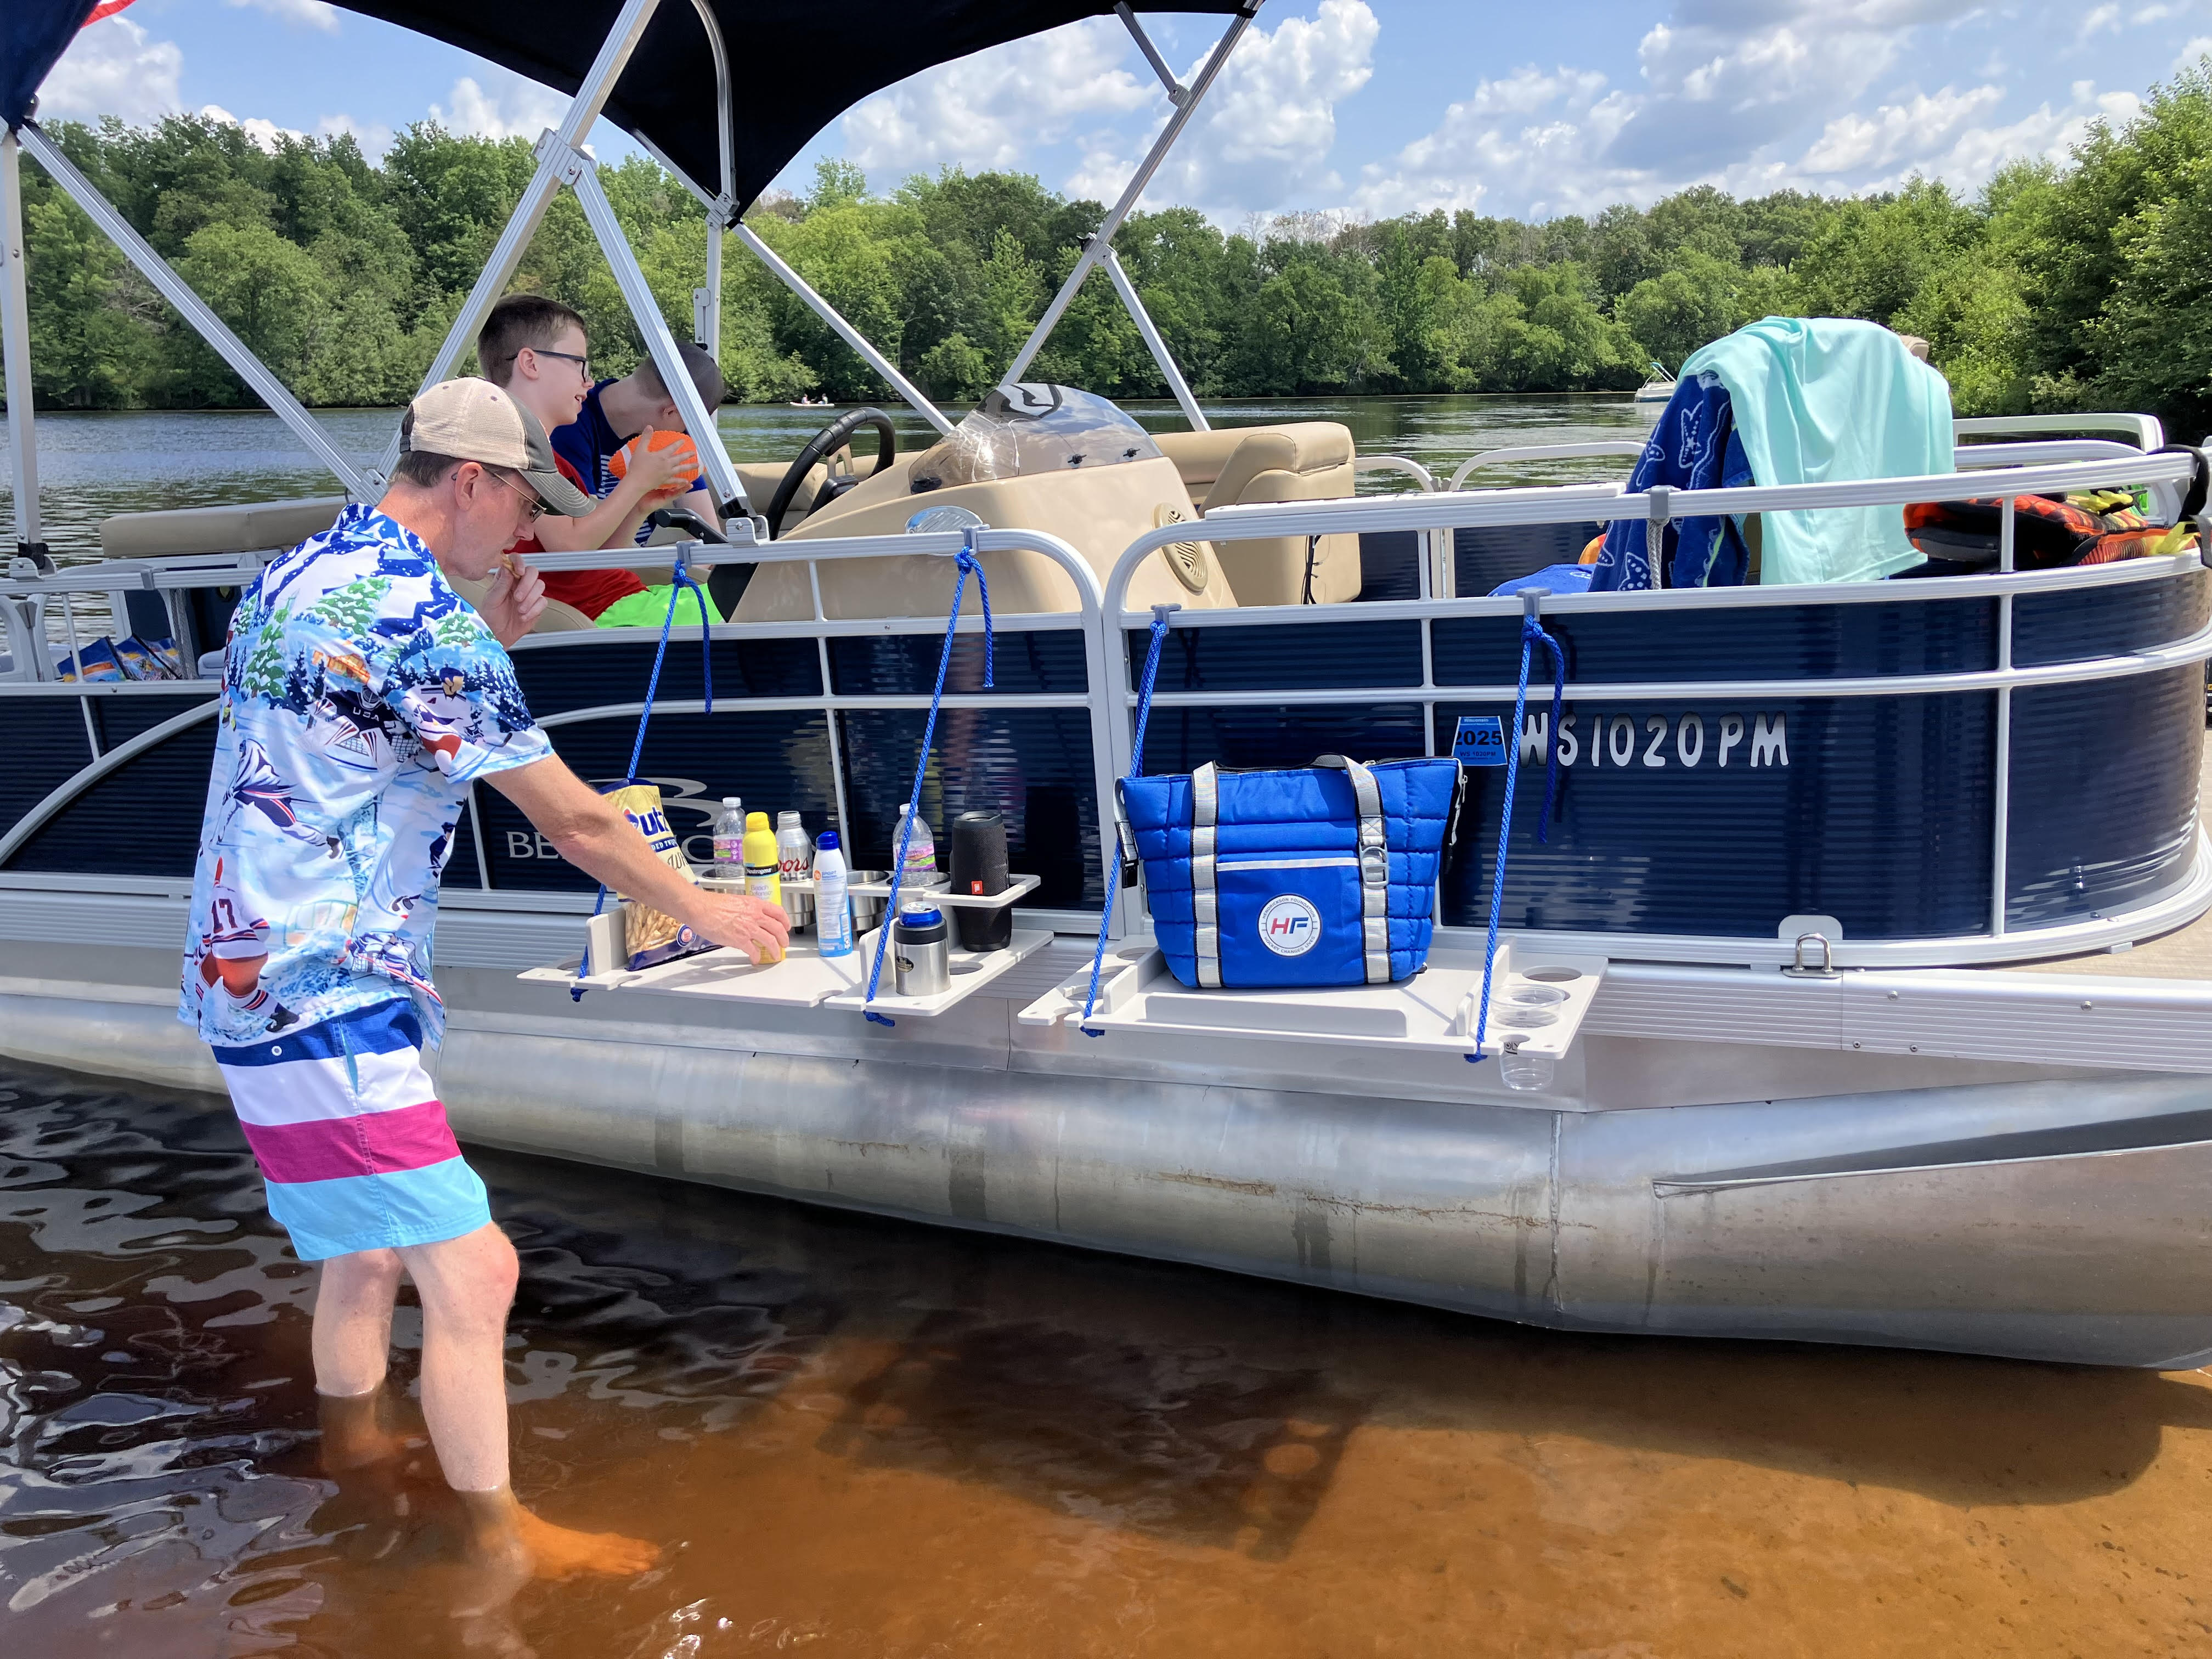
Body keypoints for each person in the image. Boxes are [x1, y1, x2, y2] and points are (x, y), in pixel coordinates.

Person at [179, 376, 789, 1582]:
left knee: (363, 1256)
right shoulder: (427, 626)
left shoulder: (298, 575)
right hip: (322, 990)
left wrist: (496, 643)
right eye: (518, 495)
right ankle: (501, 1547)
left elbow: (345, 733)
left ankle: (354, 1457)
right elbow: (577, 824)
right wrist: (710, 912)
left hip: (244, 970)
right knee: (475, 1267)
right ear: (466, 478)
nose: (526, 525)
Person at [476, 295, 715, 630]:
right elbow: (569, 548)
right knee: (765, 601)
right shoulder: (517, 451)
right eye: (579, 364)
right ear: (531, 364)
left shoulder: (549, 457)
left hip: (625, 601)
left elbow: (598, 554)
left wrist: (639, 505)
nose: (588, 382)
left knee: (754, 595)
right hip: (608, 613)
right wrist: (634, 483)